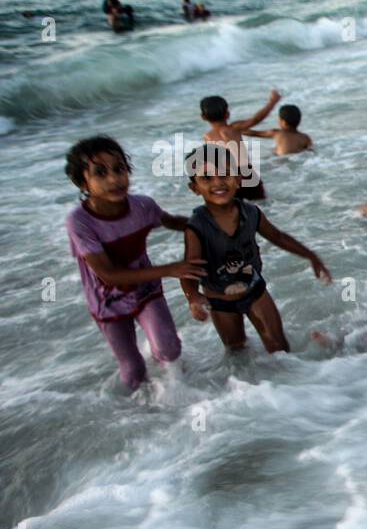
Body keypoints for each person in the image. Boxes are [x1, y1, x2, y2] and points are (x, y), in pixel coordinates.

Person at [64, 136, 200, 390]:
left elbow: (174, 222)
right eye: (100, 173)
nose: (114, 179)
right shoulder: (79, 221)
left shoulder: (142, 206)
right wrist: (171, 269)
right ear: (83, 182)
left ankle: (180, 389)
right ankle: (136, 419)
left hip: (145, 289)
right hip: (107, 300)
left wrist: (211, 220)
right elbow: (109, 274)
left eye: (119, 169)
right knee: (133, 370)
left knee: (170, 350)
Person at [181, 143, 331, 354]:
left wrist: (311, 256)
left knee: (280, 349)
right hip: (220, 301)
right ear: (195, 188)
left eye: (225, 174)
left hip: (255, 290)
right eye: (207, 178)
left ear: (239, 178)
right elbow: (189, 267)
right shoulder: (197, 226)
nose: (218, 183)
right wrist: (193, 297)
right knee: (237, 351)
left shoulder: (251, 213)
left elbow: (277, 236)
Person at [200, 90, 281, 200]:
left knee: (237, 207)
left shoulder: (207, 137)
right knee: (260, 203)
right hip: (245, 172)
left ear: (203, 117)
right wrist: (272, 102)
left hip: (227, 177)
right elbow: (256, 119)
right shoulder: (234, 128)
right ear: (227, 114)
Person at [244, 103, 312, 155]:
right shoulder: (305, 137)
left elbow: (255, 133)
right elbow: (310, 152)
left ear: (283, 122)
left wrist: (238, 129)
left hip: (280, 163)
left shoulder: (277, 133)